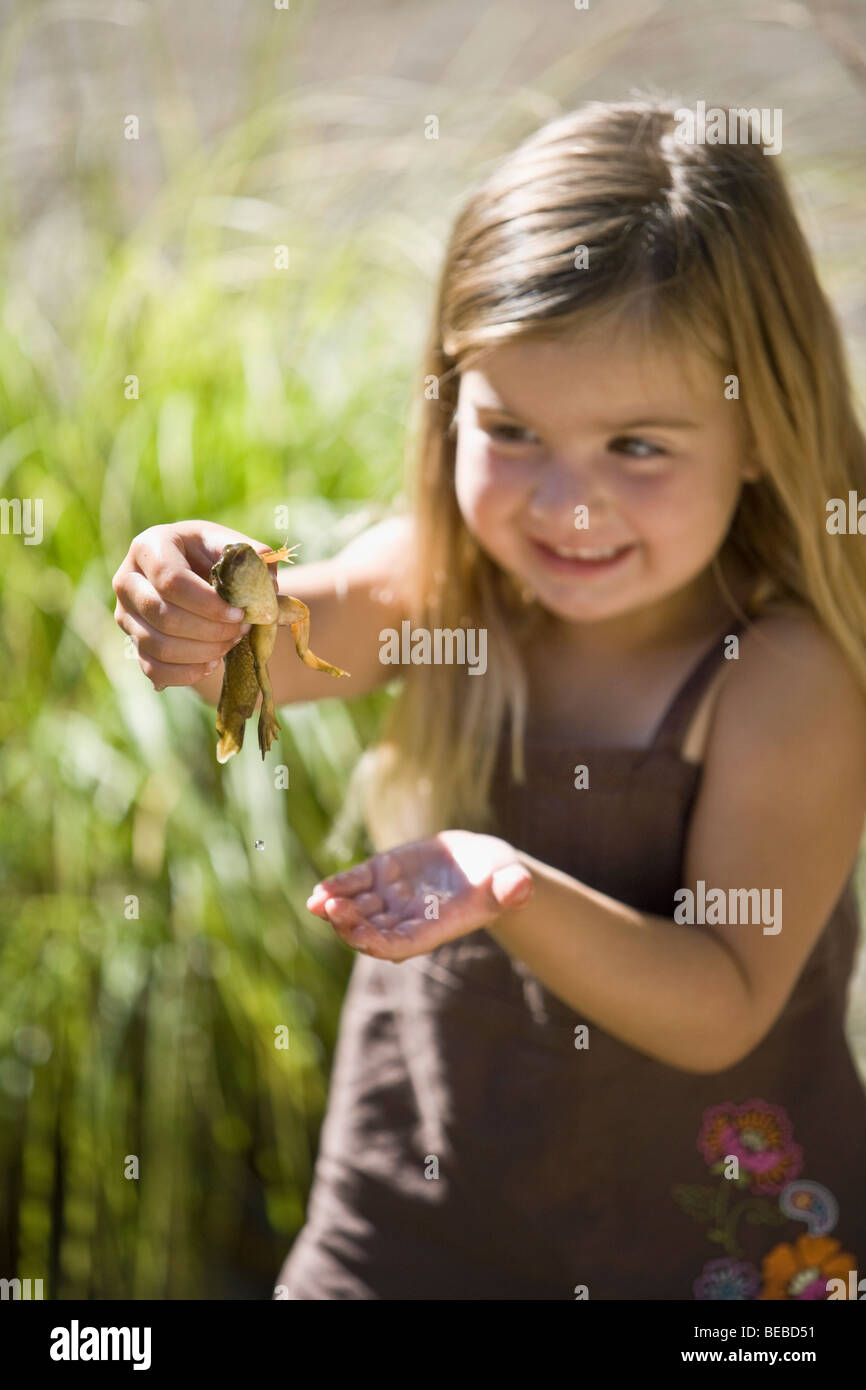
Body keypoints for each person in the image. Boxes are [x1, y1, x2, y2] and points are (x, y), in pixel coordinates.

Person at [112, 100, 866, 1300]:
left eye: (636, 448)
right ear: (449, 401)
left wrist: (502, 888)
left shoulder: (784, 675)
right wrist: (192, 587)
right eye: (511, 430)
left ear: (760, 430)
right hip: (408, 1223)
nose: (566, 507)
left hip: (705, 1253)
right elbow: (263, 644)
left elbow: (722, 1001)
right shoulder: (444, 580)